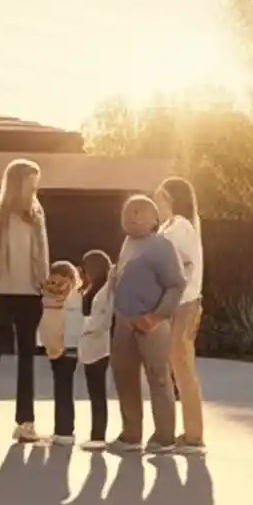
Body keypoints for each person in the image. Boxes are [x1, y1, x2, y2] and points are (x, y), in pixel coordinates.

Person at [0, 158, 50, 446]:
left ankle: (25, 424)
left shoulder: (37, 215)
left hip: (30, 296)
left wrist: (48, 288)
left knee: (27, 359)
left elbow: (43, 255)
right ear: (17, 184)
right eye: (30, 184)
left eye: (36, 185)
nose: (34, 190)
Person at [109, 195, 187, 454]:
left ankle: (165, 438)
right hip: (123, 322)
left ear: (155, 219)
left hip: (152, 323)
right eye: (127, 211)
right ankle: (131, 435)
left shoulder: (161, 246)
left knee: (159, 378)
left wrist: (155, 318)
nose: (131, 216)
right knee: (124, 377)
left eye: (139, 211)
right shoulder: (127, 243)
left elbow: (176, 285)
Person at [156, 176, 206, 455]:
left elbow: (185, 265)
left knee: (182, 366)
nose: (157, 201)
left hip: (184, 304)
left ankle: (194, 437)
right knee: (172, 366)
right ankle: (179, 432)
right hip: (172, 304)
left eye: (161, 197)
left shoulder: (183, 227)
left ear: (171, 198)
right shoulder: (169, 226)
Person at [40, 260, 84, 446]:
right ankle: (62, 430)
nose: (56, 287)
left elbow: (74, 323)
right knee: (62, 387)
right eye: (53, 282)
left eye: (61, 282)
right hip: (56, 346)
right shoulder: (47, 298)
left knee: (63, 387)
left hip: (67, 346)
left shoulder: (75, 298)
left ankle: (65, 431)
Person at [76, 250, 115, 451]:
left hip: (99, 347)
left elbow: (101, 320)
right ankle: (96, 434)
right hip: (91, 346)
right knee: (95, 392)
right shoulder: (91, 289)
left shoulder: (105, 291)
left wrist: (80, 325)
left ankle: (98, 435)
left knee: (98, 393)